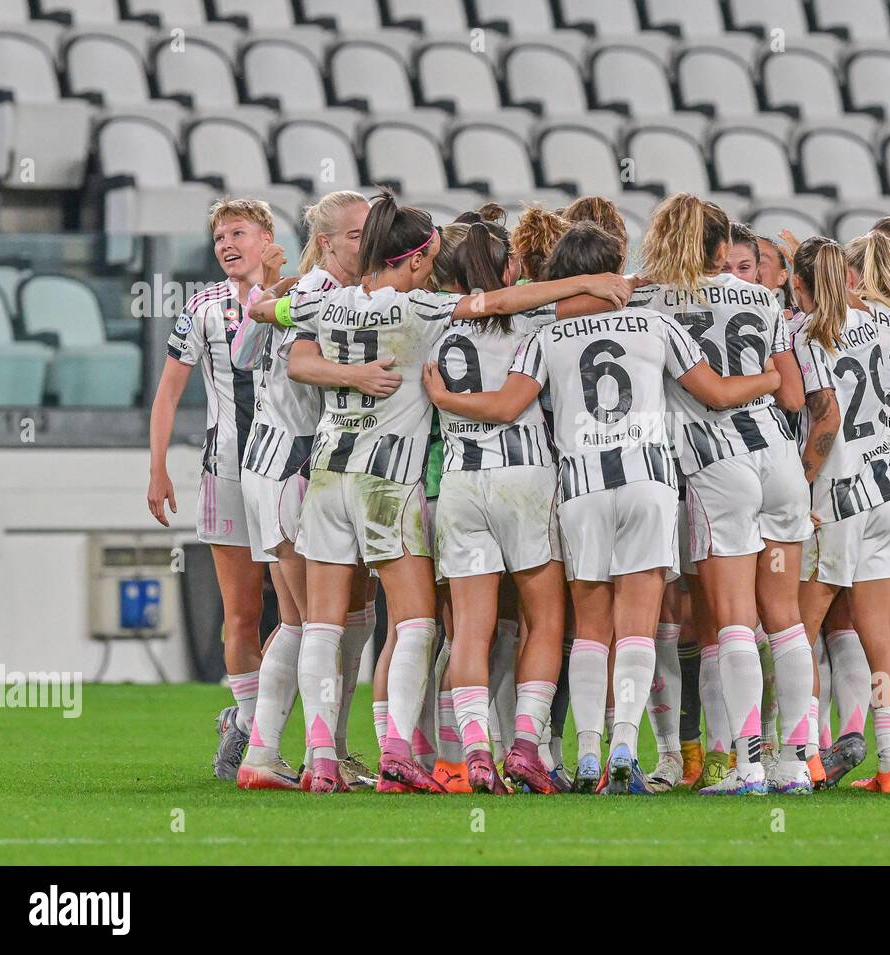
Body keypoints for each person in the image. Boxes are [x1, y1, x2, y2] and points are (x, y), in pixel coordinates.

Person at [249, 192, 633, 793]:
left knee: (322, 626)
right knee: (418, 622)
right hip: (388, 481)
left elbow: (264, 316)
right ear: (418, 257)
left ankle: (320, 754)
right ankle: (399, 751)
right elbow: (506, 301)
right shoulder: (425, 310)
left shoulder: (324, 301)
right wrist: (591, 281)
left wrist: (271, 293)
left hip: (326, 473)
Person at [424, 221, 782, 793]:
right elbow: (714, 394)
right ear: (613, 265)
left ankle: (586, 754)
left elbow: (510, 404)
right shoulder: (657, 323)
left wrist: (444, 398)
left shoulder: (544, 336)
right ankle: (624, 746)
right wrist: (770, 378)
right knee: (638, 628)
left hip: (580, 487)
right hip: (649, 481)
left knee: (589, 629)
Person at [632, 194, 813, 796]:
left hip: (719, 464)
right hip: (781, 464)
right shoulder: (764, 296)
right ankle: (794, 764)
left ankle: (748, 766)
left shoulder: (655, 299)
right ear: (722, 249)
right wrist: (760, 379)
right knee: (784, 622)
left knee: (733, 622)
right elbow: (792, 397)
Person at [230, 190, 378, 790]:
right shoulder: (320, 294)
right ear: (326, 242)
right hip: (292, 465)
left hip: (274, 462)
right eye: (354, 236)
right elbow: (299, 365)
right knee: (324, 619)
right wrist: (358, 376)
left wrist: (266, 299)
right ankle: (318, 755)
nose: (366, 244)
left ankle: (269, 753)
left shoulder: (305, 292)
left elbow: (245, 352)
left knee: (302, 621)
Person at [427, 219, 569, 795]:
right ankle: (528, 747)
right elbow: (513, 406)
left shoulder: (431, 322)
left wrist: (444, 399)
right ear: (507, 269)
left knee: (470, 630)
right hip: (526, 477)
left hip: (462, 481)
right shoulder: (536, 322)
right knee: (545, 619)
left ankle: (476, 750)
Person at [148, 197, 281, 781]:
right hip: (225, 470)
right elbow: (168, 393)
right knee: (241, 613)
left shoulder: (302, 295)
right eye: (219, 237)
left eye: (238, 233)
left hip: (287, 469)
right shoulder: (202, 308)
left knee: (307, 614)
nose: (227, 244)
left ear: (266, 237)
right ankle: (251, 731)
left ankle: (255, 721)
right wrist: (157, 466)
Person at [794, 232, 890, 793]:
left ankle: (806, 759)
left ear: (799, 284)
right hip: (884, 485)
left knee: (797, 634)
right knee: (879, 638)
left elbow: (824, 419)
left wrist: (799, 486)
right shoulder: (880, 318)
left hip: (837, 494)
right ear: (848, 278)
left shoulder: (806, 333)